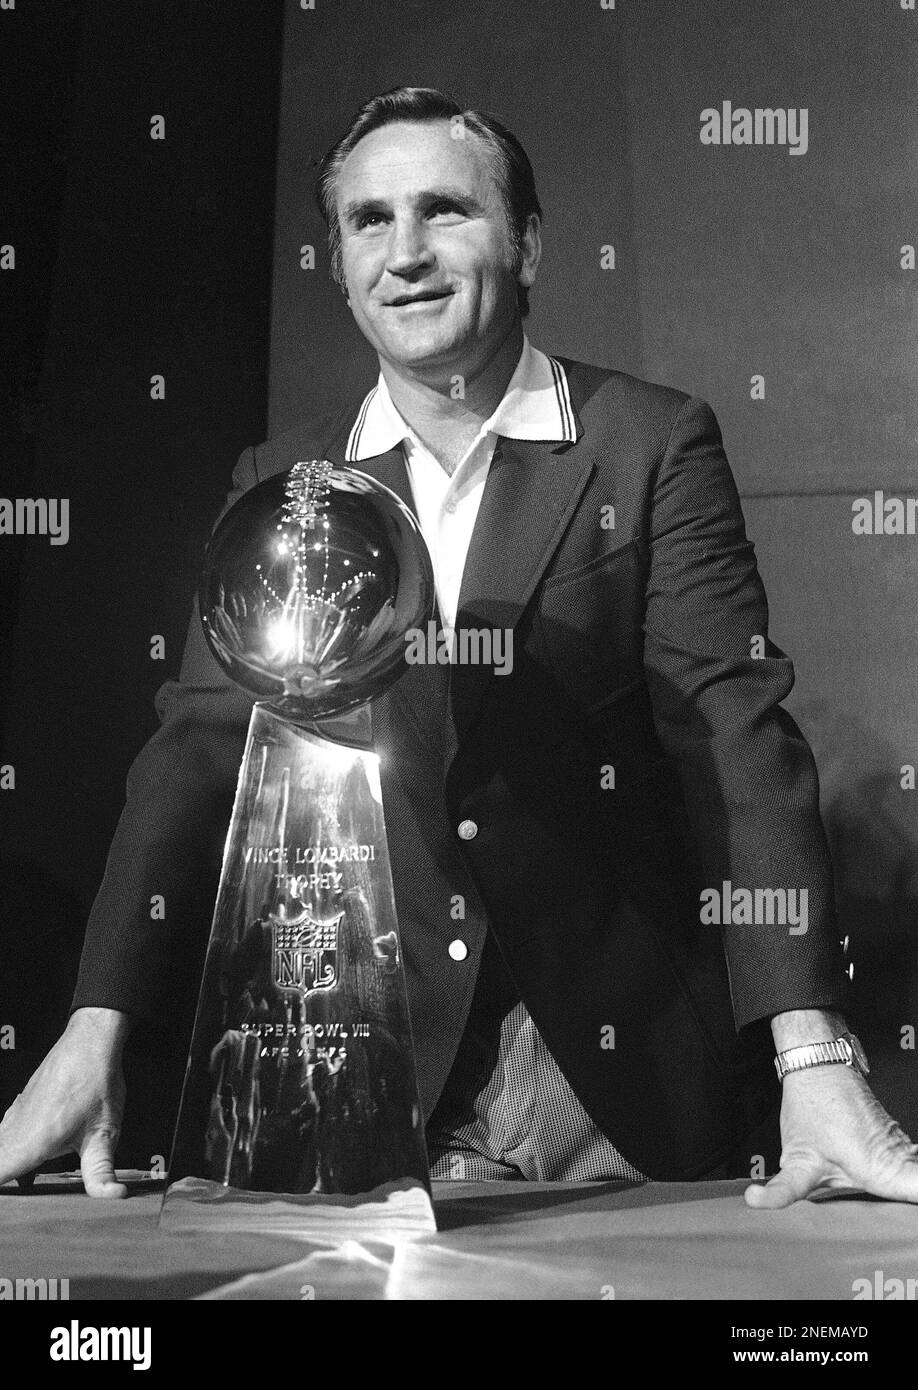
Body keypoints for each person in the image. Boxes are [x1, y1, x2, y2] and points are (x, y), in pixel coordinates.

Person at [2, 87, 916, 1205]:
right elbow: (192, 766)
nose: (408, 254)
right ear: (336, 263)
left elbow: (734, 735)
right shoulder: (282, 485)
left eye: (446, 211)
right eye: (369, 222)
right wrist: (92, 1033)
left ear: (527, 243)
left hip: (608, 1084)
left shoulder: (647, 443)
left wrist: (810, 1053)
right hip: (360, 1077)